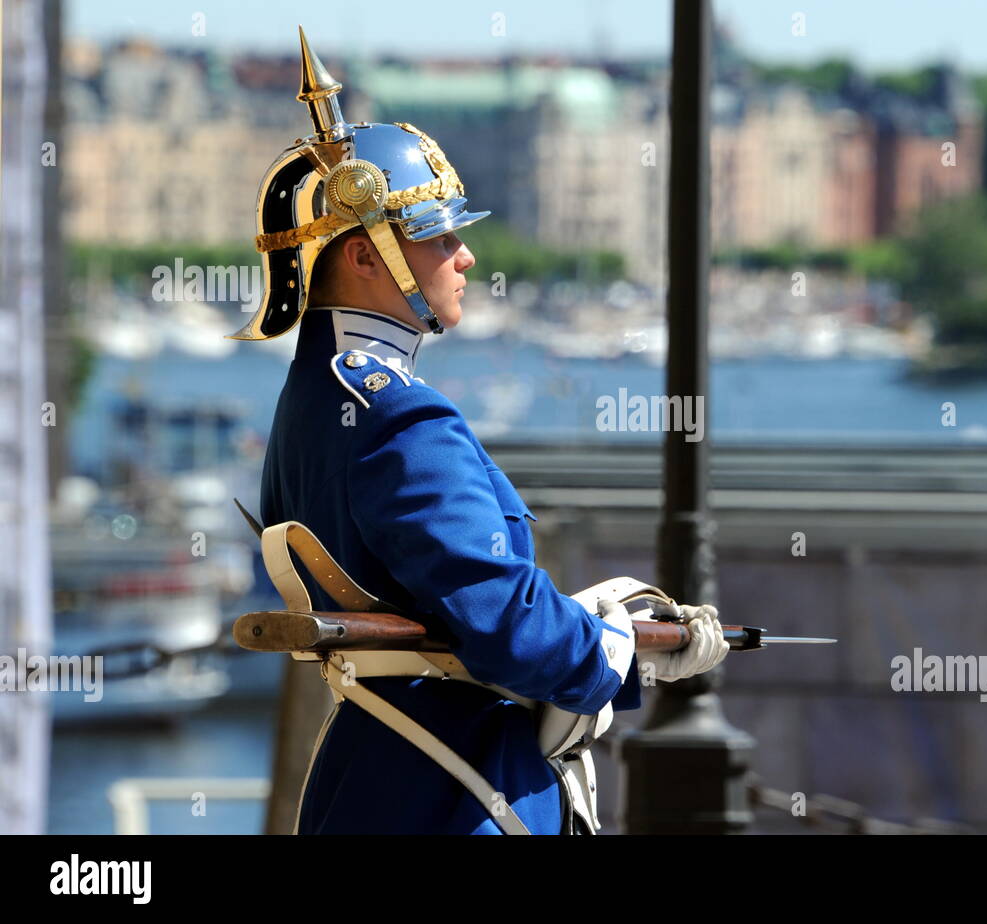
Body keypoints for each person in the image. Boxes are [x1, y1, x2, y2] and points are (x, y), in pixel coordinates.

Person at [226, 29, 728, 835]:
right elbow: (503, 621)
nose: (464, 257)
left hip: (372, 769)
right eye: (441, 236)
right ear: (364, 255)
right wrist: (623, 648)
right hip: (453, 789)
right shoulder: (399, 414)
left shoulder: (312, 401)